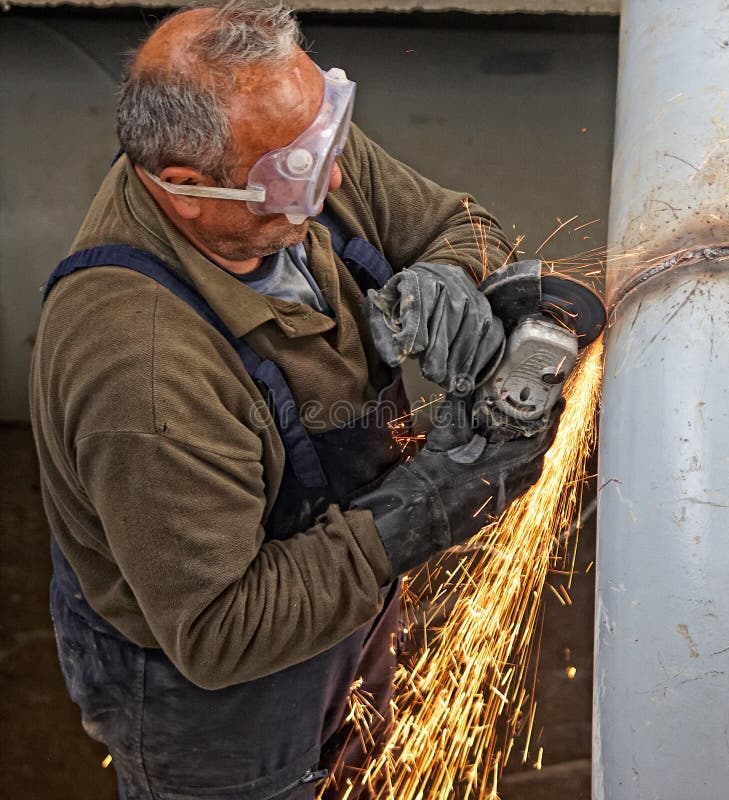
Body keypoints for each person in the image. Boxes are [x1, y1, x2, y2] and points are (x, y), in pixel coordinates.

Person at [29, 2, 559, 798]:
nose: (336, 178)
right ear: (186, 188)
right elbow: (218, 630)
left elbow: (457, 222)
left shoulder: (284, 152)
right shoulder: (141, 366)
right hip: (211, 700)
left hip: (343, 587)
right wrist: (426, 509)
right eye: (304, 168)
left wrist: (453, 275)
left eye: (329, 139)